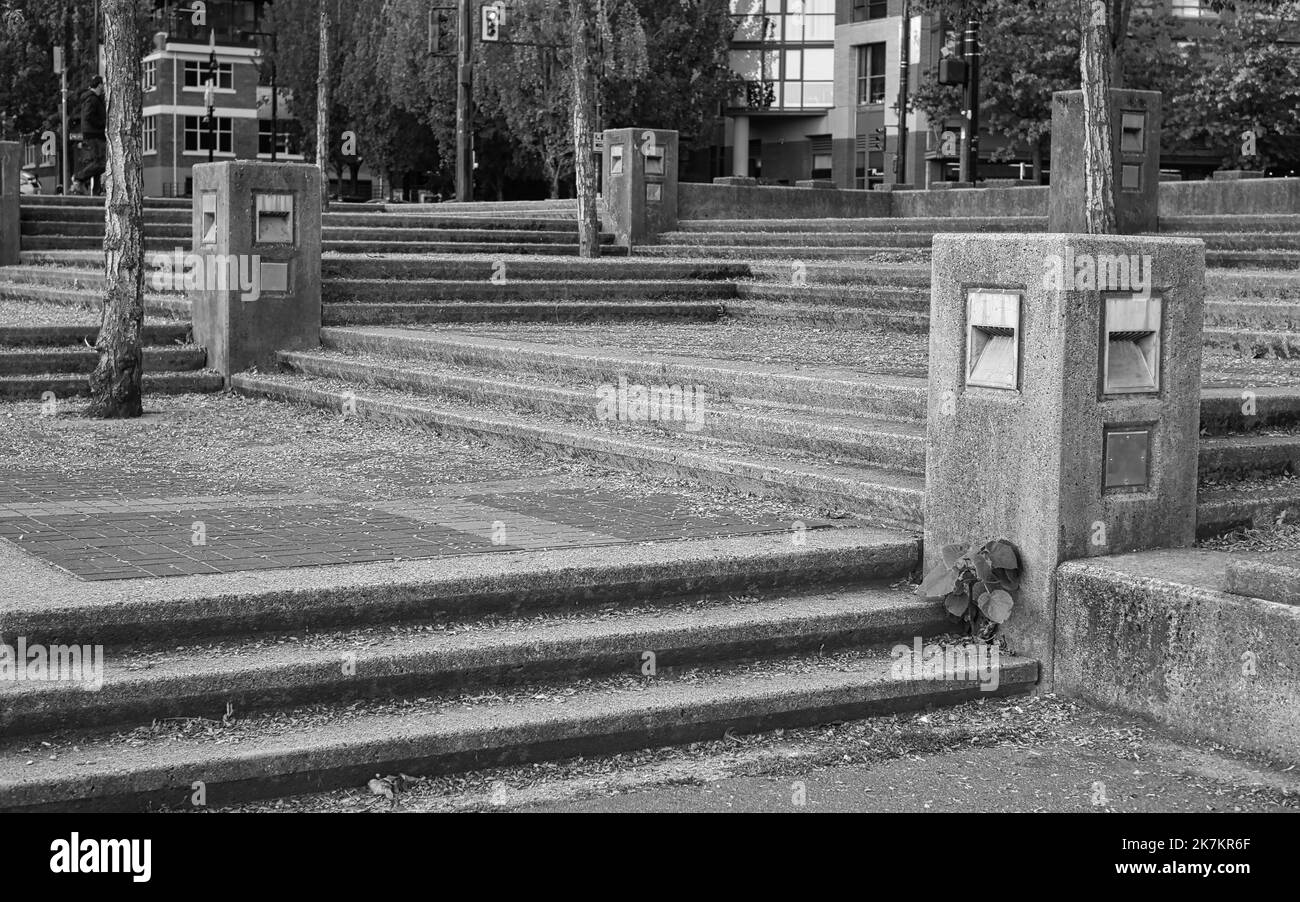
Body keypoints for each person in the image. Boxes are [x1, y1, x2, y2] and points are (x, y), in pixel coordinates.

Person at [70, 75, 106, 196]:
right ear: (99, 84)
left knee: (98, 162)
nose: (104, 87)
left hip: (95, 134)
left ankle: (96, 191)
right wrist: (102, 124)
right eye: (103, 85)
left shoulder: (95, 99)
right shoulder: (91, 99)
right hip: (94, 134)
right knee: (101, 162)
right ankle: (79, 178)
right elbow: (88, 116)